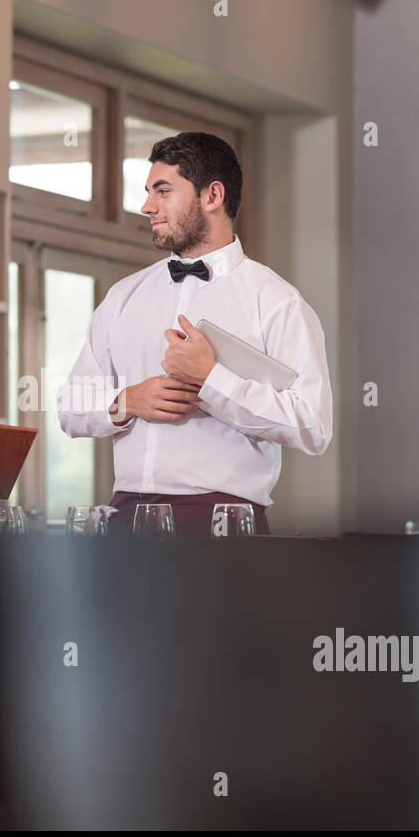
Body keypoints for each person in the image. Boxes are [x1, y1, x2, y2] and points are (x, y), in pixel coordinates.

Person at [56, 132, 332, 537]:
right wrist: (127, 400)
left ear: (212, 195)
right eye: (149, 191)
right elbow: (69, 406)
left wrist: (211, 381)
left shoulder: (276, 301)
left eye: (163, 191)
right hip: (125, 519)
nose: (147, 206)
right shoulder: (123, 297)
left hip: (226, 524)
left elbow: (312, 425)